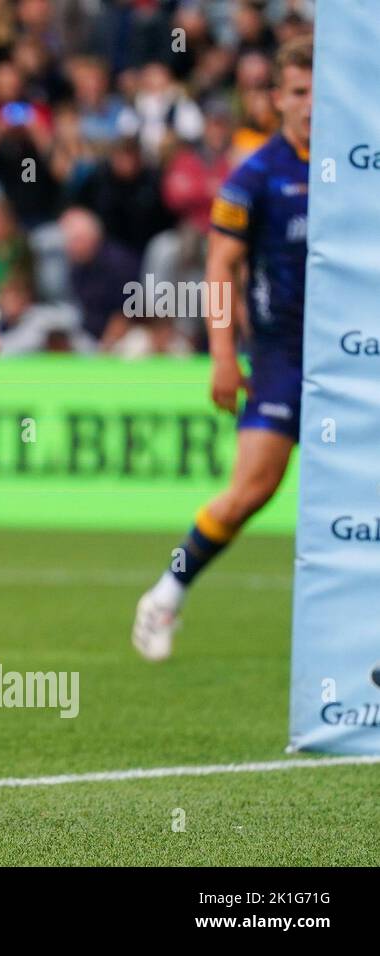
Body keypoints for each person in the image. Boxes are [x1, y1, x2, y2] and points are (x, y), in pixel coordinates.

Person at [132, 36, 313, 662]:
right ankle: (166, 591)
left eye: (320, 91)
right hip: (283, 355)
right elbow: (219, 269)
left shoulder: (361, 164)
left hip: (358, 352)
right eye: (298, 92)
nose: (311, 104)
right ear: (276, 98)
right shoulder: (256, 176)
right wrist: (220, 355)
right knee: (250, 491)